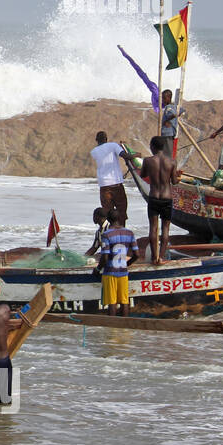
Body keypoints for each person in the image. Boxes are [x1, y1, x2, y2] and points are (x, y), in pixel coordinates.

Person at [138, 135, 177, 265]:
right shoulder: (171, 161)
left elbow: (142, 175)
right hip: (167, 198)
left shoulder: (148, 161)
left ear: (153, 147)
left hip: (154, 197)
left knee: (153, 228)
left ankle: (154, 257)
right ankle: (161, 257)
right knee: (165, 229)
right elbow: (174, 181)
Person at [97, 209, 138, 316]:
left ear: (108, 220)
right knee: (124, 301)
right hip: (123, 272)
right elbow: (136, 254)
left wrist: (98, 269)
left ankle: (113, 328)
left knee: (112, 302)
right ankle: (124, 327)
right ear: (119, 218)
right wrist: (127, 264)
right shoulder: (129, 233)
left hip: (110, 273)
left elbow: (105, 257)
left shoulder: (106, 235)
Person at [90, 131, 129, 223]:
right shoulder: (113, 145)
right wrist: (135, 155)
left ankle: (110, 232)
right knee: (121, 211)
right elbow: (124, 155)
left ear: (96, 140)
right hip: (116, 184)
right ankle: (122, 231)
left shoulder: (94, 152)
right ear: (106, 139)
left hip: (104, 185)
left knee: (107, 212)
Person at [159, 89, 186, 157]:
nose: (163, 100)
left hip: (167, 133)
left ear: (168, 98)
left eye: (164, 98)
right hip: (171, 133)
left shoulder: (168, 107)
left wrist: (167, 120)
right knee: (169, 151)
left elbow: (172, 114)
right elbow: (182, 111)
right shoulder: (175, 107)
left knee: (167, 153)